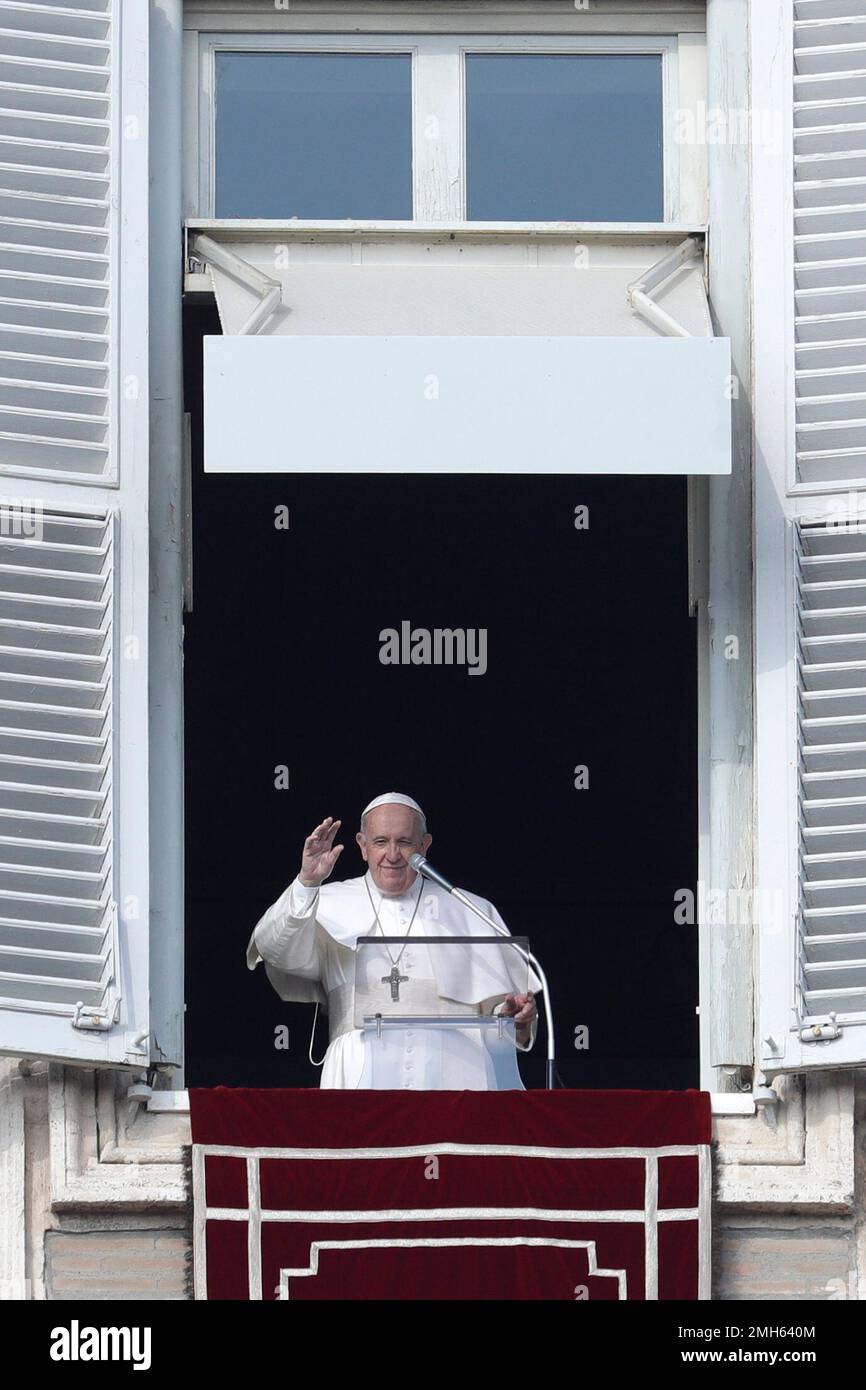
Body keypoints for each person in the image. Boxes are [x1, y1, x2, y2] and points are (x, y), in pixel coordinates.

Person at [246, 793, 540, 1088]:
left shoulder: (469, 909)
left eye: (404, 842)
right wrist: (307, 884)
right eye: (380, 842)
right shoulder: (325, 902)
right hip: (360, 1071)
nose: (392, 854)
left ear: (424, 846)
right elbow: (275, 949)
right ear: (362, 845)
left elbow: (502, 1012)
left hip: (457, 1074)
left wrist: (513, 1017)